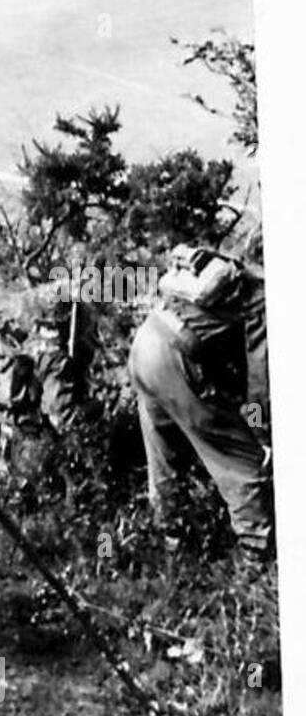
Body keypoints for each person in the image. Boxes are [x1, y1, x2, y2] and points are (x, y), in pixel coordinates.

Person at [127, 229, 272, 560]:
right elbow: (259, 377)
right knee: (245, 467)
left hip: (144, 346)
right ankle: (256, 560)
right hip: (174, 359)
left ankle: (171, 545)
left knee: (164, 457)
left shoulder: (215, 266)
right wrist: (261, 433)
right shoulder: (259, 292)